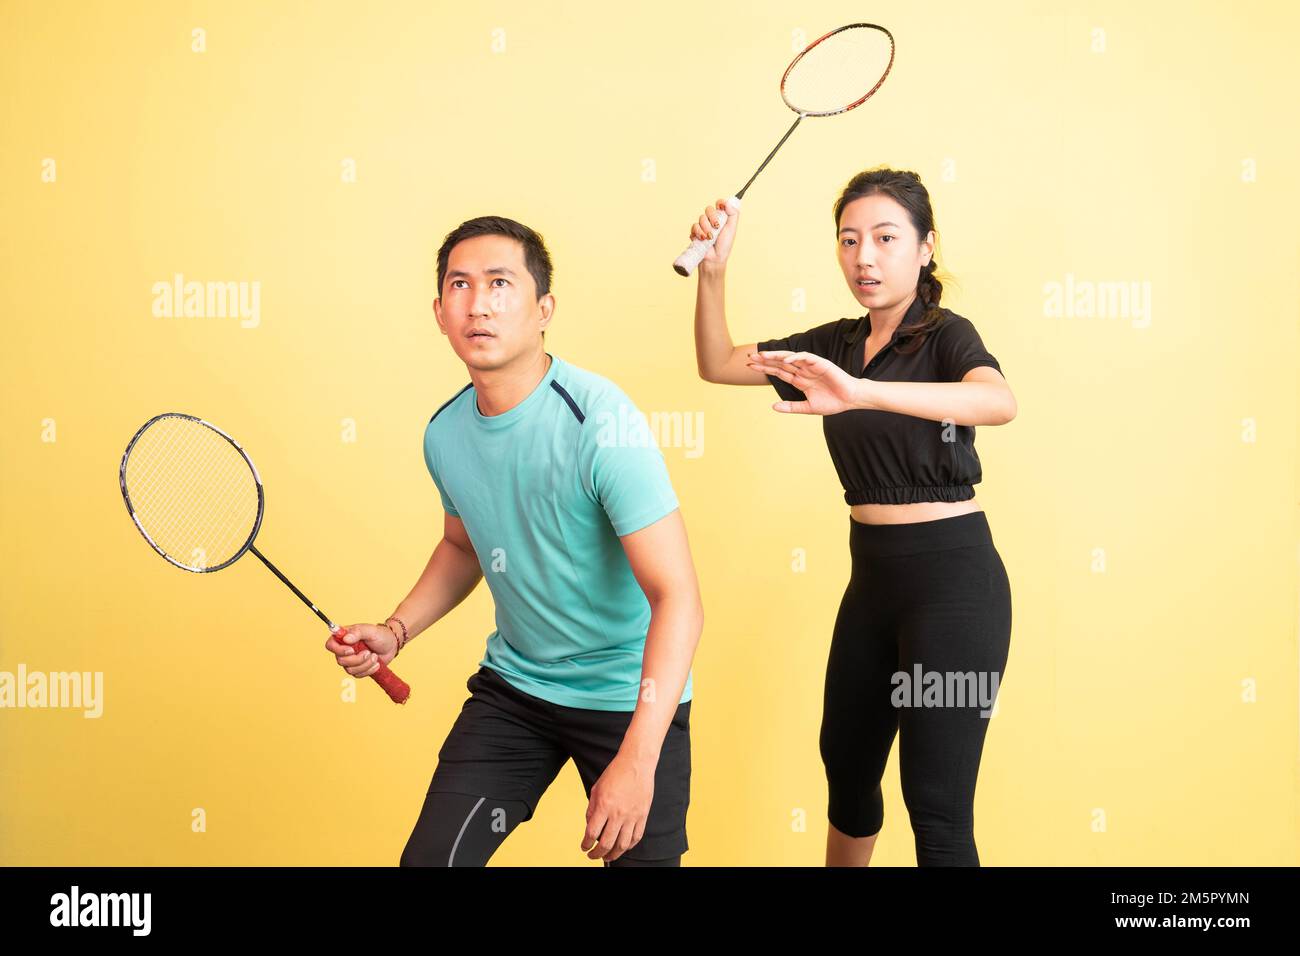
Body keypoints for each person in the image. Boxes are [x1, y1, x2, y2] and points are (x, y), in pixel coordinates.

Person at [327, 216, 703, 866]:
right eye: (460, 285)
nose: (479, 303)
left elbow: (679, 599)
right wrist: (395, 630)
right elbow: (463, 547)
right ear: (440, 312)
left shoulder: (600, 421)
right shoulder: (445, 433)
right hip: (518, 691)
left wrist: (639, 760)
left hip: (626, 695)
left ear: (543, 309)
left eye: (500, 283)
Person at [688, 167, 1015, 866]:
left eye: (886, 238)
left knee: (937, 806)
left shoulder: (944, 335)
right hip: (872, 587)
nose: (864, 257)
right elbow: (717, 363)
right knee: (845, 767)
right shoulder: (833, 345)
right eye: (849, 240)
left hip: (955, 588)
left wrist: (862, 393)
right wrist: (714, 271)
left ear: (926, 248)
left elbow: (996, 401)